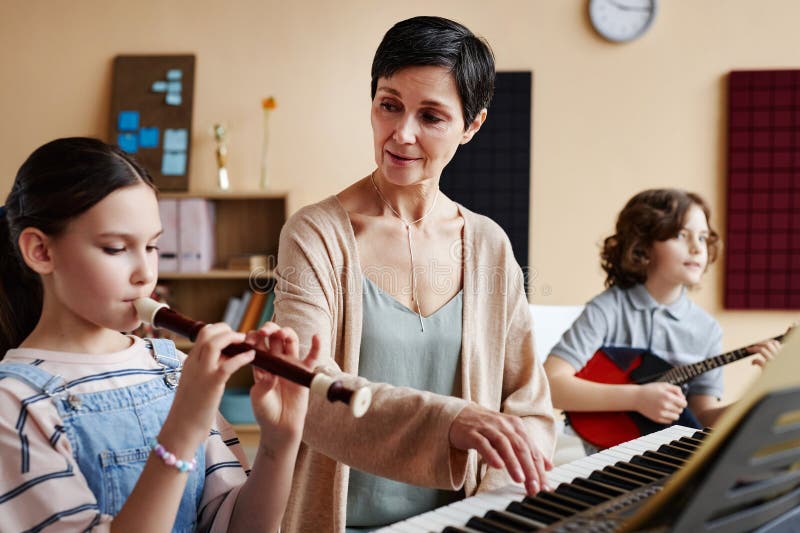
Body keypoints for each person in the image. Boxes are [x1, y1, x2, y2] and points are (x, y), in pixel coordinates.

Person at [270, 16, 556, 533]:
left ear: (472, 125)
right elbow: (306, 391)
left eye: (431, 116)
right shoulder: (314, 235)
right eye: (390, 105)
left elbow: (529, 408)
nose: (402, 134)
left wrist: (489, 503)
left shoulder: (489, 244)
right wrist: (452, 423)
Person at [0, 137, 319, 532]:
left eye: (152, 246)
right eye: (116, 248)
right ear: (40, 251)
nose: (145, 273)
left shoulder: (171, 366)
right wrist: (183, 427)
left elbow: (238, 527)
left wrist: (278, 441)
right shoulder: (13, 403)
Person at [543, 189, 781, 452]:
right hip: (606, 461)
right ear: (643, 245)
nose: (697, 248)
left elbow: (702, 419)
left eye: (703, 238)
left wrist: (760, 395)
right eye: (681, 235)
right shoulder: (607, 309)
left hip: (669, 463)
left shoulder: (706, 329)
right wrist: (636, 398)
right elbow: (551, 384)